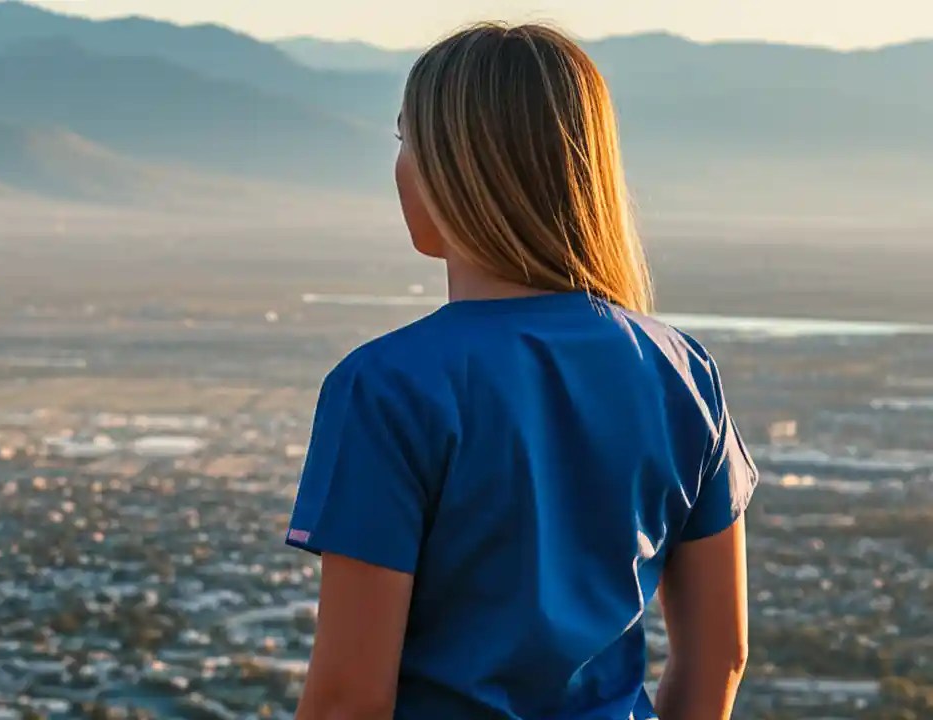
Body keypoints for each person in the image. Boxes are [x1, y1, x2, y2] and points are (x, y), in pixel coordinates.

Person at [285, 22, 758, 720]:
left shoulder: (387, 386)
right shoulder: (681, 371)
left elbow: (348, 700)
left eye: (404, 141)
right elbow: (719, 657)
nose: (400, 167)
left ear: (457, 167)